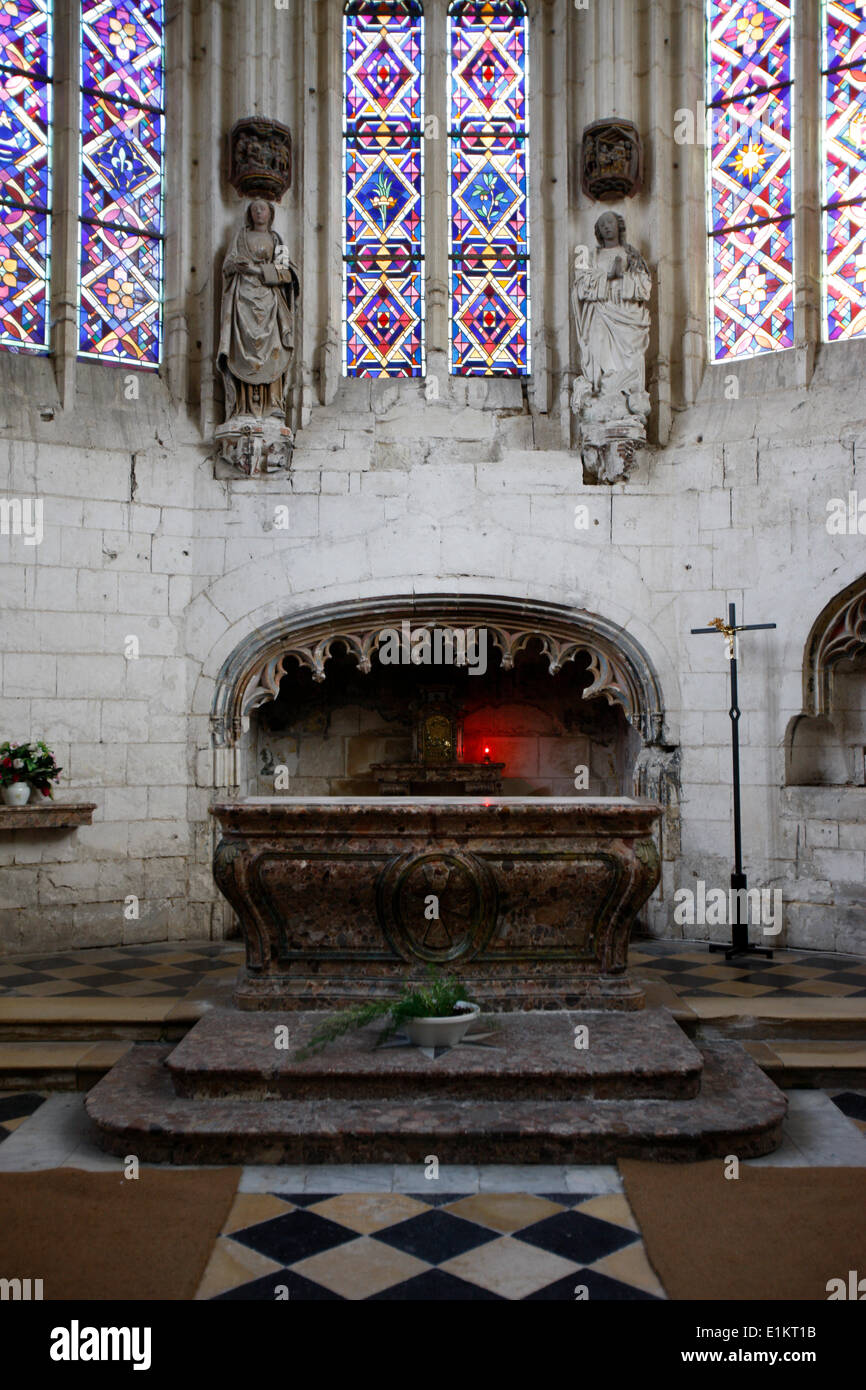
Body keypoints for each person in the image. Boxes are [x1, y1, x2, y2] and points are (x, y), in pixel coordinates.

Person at [217, 199, 300, 421]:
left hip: (270, 304)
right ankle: (243, 407)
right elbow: (227, 266)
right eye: (254, 209)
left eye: (263, 209)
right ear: (249, 214)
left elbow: (285, 273)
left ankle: (272, 404)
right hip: (242, 302)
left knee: (273, 352)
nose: (259, 212)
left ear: (270, 214)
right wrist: (236, 267)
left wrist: (255, 270)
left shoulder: (278, 241)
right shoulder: (240, 238)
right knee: (242, 352)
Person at [571, 211, 650, 414]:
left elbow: (644, 288)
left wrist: (622, 277)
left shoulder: (632, 255)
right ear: (598, 230)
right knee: (599, 348)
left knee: (632, 357)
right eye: (602, 224)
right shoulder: (591, 256)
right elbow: (580, 288)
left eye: (611, 222)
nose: (607, 227)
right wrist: (607, 276)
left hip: (627, 316)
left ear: (619, 226)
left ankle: (631, 402)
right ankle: (602, 398)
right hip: (600, 315)